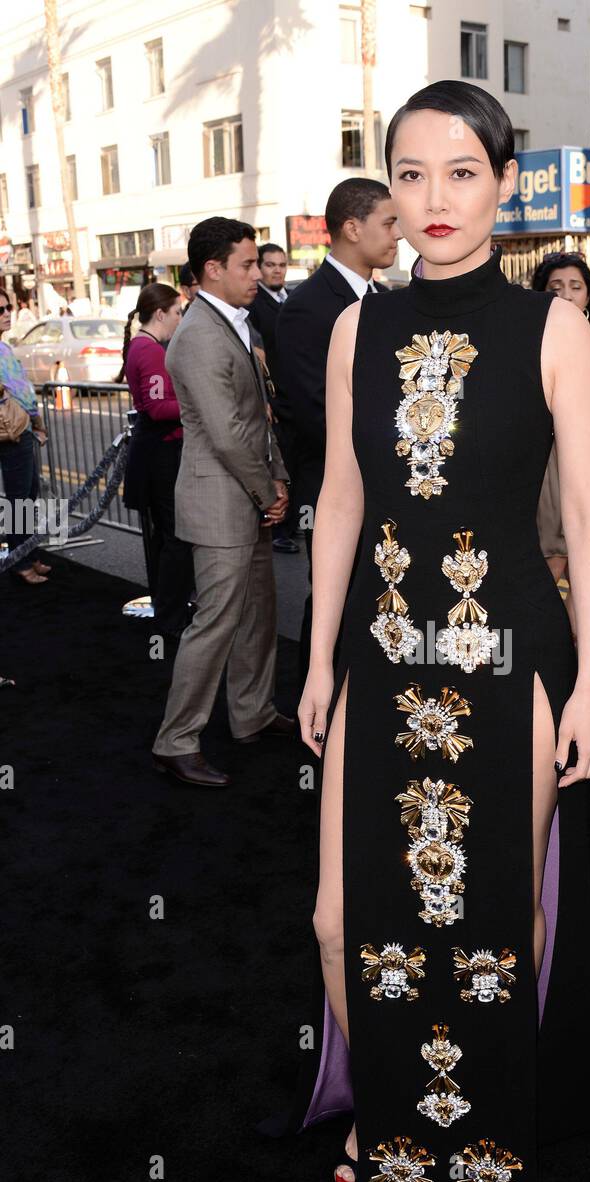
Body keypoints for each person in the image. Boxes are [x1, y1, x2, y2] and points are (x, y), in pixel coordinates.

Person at [258, 80, 590, 1182]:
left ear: (505, 185)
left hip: (508, 649)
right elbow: (338, 506)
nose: (434, 198)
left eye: (462, 172)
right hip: (378, 655)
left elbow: (585, 514)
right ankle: (386, 1110)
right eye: (411, 174)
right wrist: (317, 661)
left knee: (492, 909)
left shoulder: (552, 327)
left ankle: (485, 1128)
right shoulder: (354, 328)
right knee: (338, 911)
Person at [151, 217, 293, 786]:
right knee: (214, 625)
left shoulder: (232, 321)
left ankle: (252, 713)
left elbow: (260, 416)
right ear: (213, 270)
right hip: (221, 504)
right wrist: (269, 491)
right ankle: (176, 739)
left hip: (251, 496)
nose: (259, 273)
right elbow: (229, 431)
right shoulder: (200, 335)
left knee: (258, 616)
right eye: (248, 264)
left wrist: (276, 482)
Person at [275, 179, 400, 683]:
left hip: (385, 483)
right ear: (352, 227)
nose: (399, 236)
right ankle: (319, 708)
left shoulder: (385, 299)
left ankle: (363, 705)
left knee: (378, 599)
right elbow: (314, 410)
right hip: (332, 484)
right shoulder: (308, 307)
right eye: (389, 223)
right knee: (334, 597)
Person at [531, 251, 590, 640]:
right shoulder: (536, 345)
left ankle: (577, 672)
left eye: (575, 287)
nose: (566, 294)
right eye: (555, 287)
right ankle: (538, 667)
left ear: (589, 296)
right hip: (552, 469)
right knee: (555, 561)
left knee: (589, 577)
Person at [118, 282, 195, 638]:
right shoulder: (148, 350)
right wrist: (197, 407)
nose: (181, 318)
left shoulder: (145, 346)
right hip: (161, 453)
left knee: (169, 538)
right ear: (161, 313)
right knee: (175, 538)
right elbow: (156, 407)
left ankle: (171, 609)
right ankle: (171, 615)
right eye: (178, 312)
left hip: (160, 450)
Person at [247, 243, 299, 555]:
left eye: (281, 264)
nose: (277, 269)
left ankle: (293, 524)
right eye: (270, 264)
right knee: (277, 467)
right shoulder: (254, 304)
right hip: (272, 400)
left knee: (295, 467)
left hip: (294, 397)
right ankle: (280, 527)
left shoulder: (291, 298)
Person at [0, 286, 50, 585]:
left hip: (14, 430)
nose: (7, 314)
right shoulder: (2, 351)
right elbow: (25, 394)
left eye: (8, 309)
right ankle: (21, 560)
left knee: (26, 495)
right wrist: (38, 421)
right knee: (22, 498)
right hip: (15, 431)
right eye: (0, 310)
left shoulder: (4, 347)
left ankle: (29, 555)